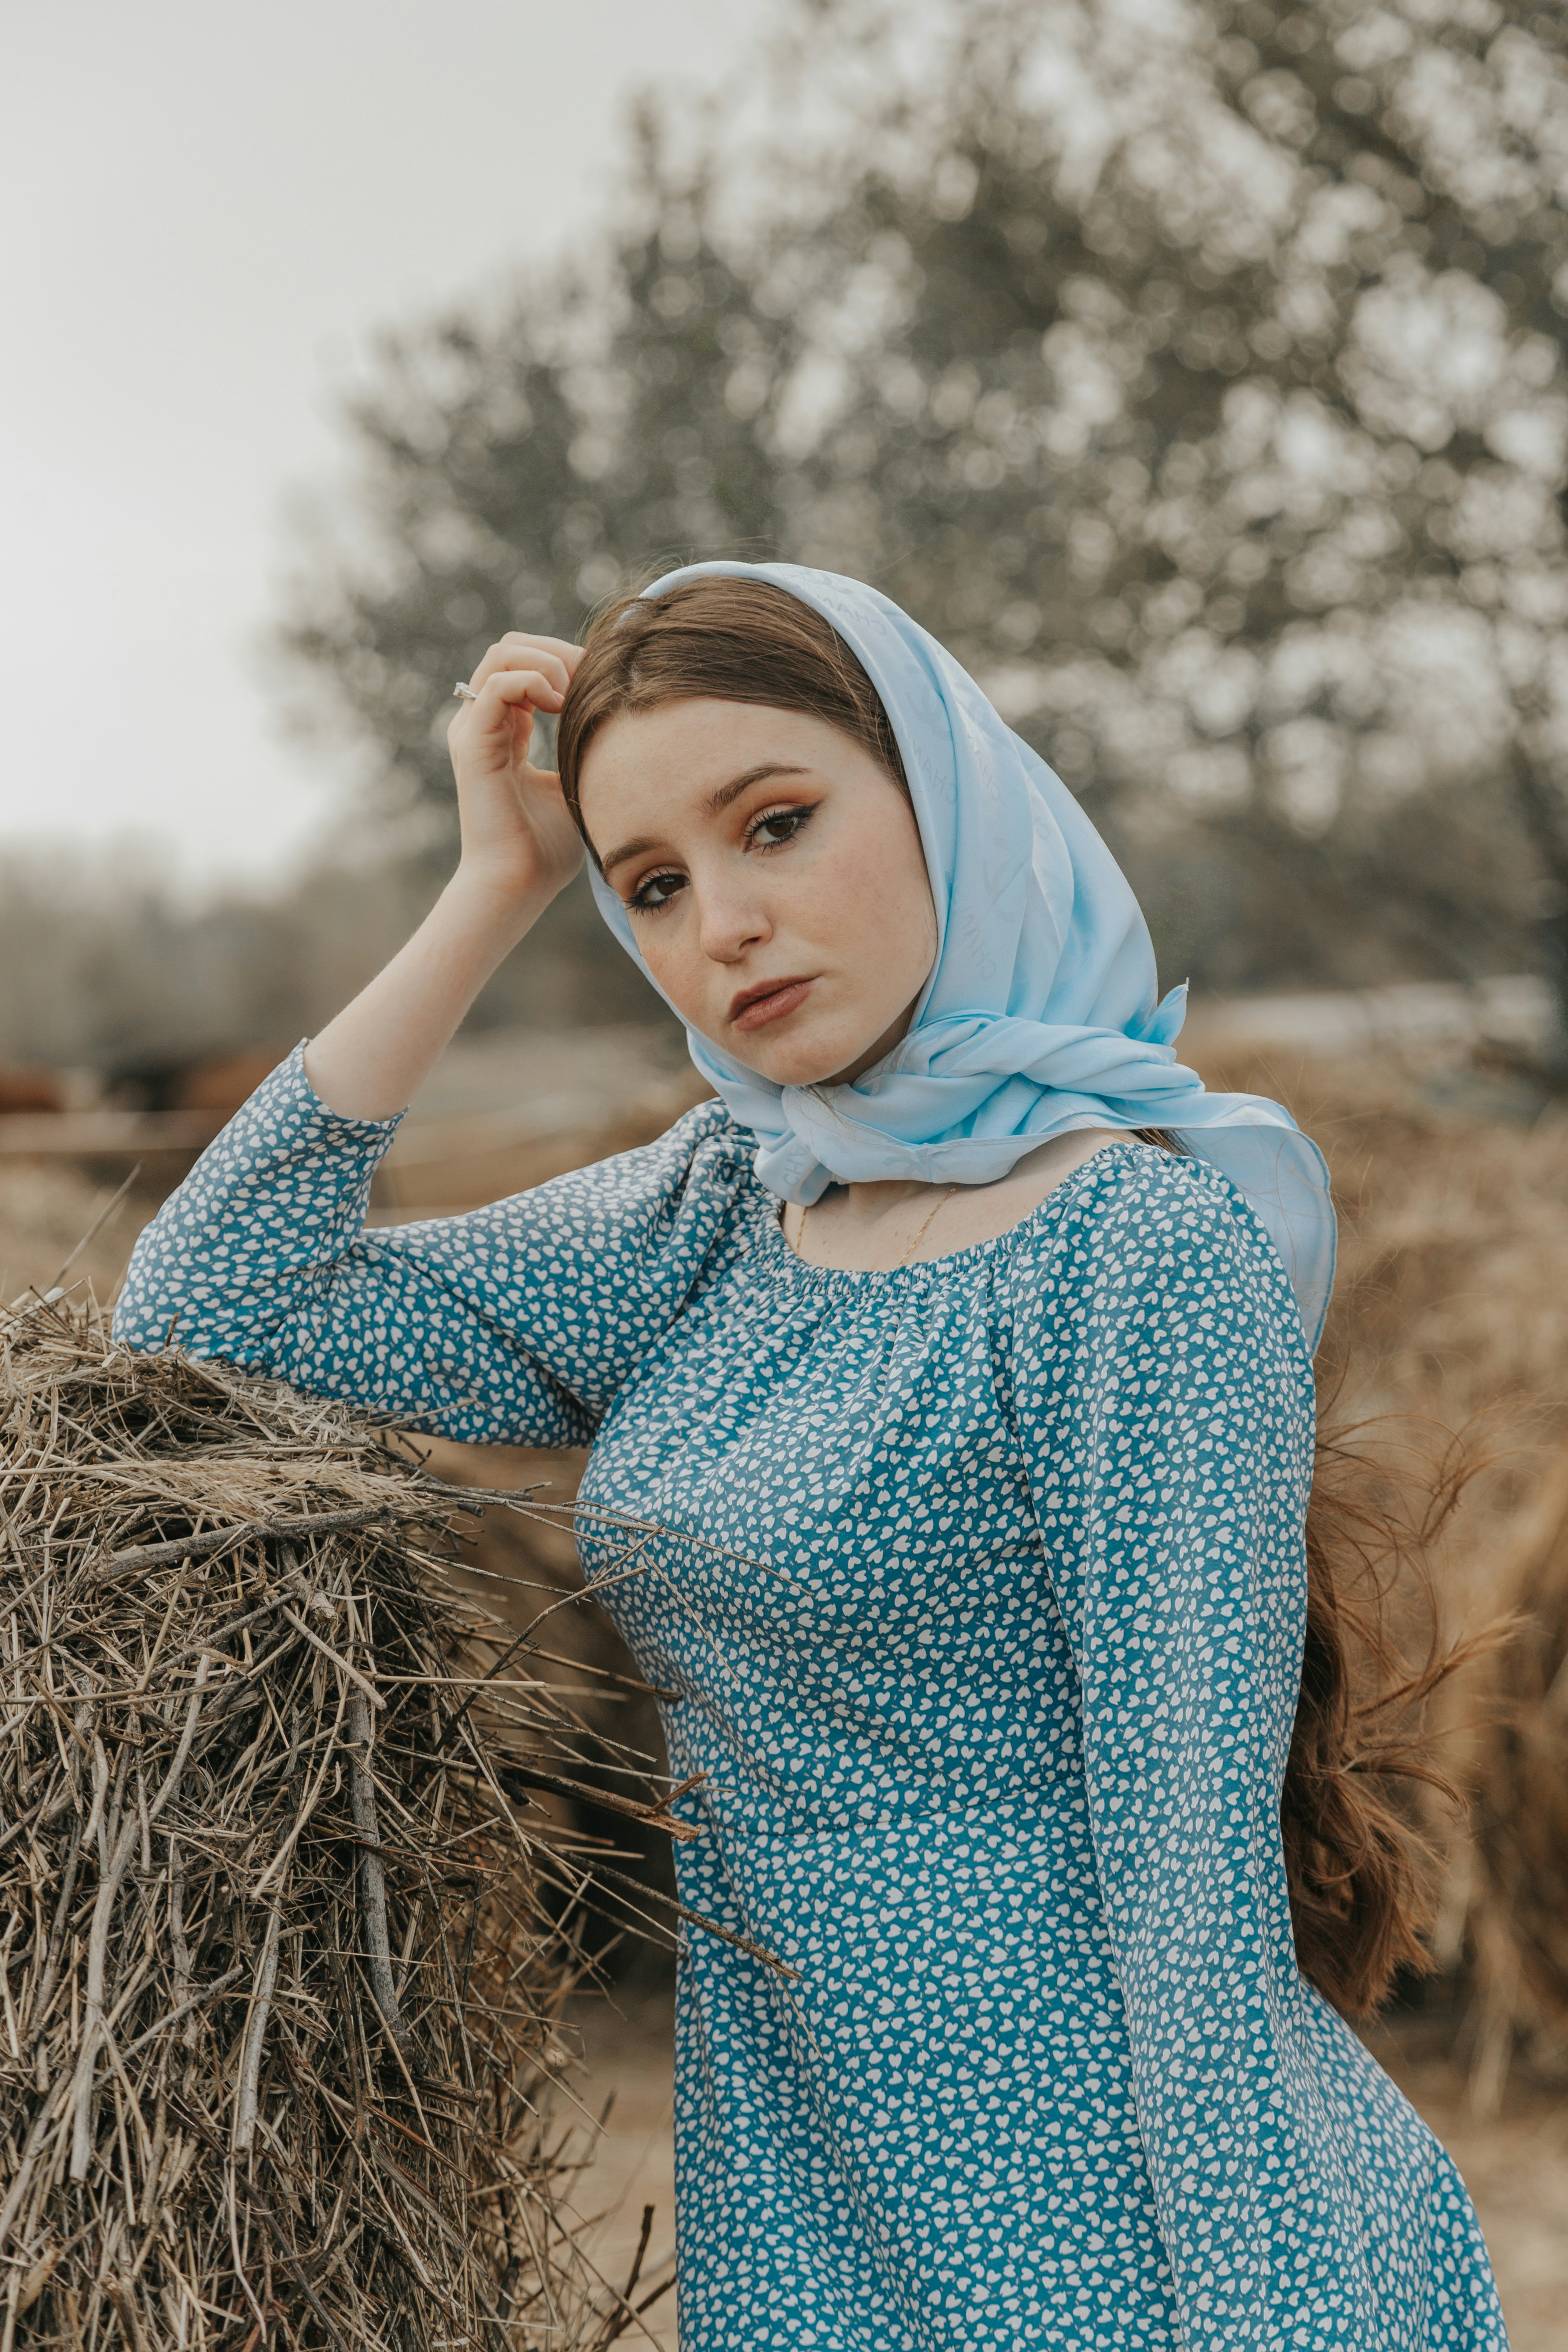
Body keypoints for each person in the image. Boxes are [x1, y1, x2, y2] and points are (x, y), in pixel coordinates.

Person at [116, 561, 1506, 2350]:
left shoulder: (1128, 1253)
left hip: (1093, 2195)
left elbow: (1188, 1883)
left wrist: (1260, 2311)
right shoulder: (721, 1208)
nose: (728, 924)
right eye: (654, 887)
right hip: (792, 2169)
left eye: (777, 823)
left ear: (941, 792)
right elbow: (214, 1305)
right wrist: (493, 884)